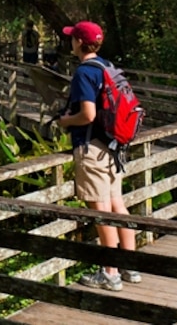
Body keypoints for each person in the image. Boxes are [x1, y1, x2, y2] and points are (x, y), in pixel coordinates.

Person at [56, 20, 140, 291]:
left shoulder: (84, 72)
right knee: (118, 205)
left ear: (79, 42)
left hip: (91, 148)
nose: (71, 42)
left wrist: (66, 121)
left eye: (72, 39)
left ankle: (110, 272)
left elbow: (88, 115)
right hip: (114, 147)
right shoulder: (108, 66)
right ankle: (129, 266)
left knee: (101, 210)